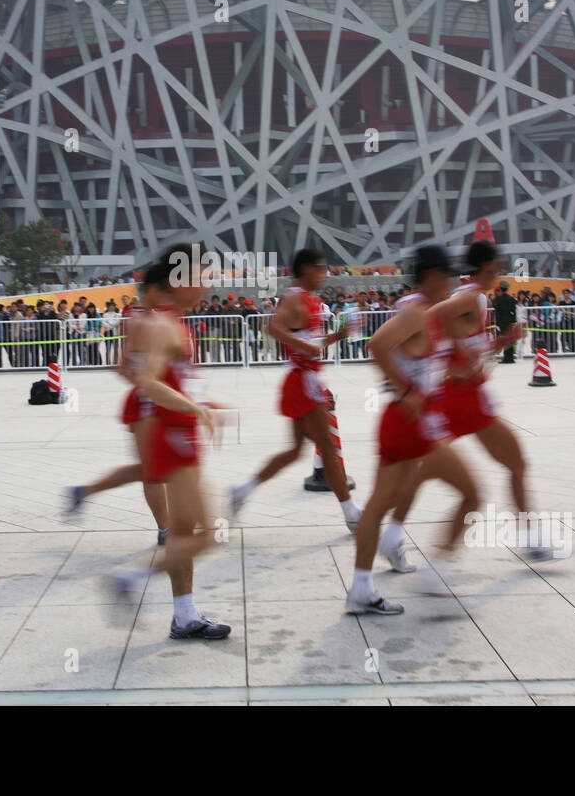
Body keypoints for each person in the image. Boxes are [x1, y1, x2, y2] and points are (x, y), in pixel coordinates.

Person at [381, 241, 550, 564]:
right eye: (496, 268)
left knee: (424, 470)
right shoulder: (470, 296)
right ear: (486, 268)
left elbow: (468, 348)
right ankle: (529, 540)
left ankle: (392, 533)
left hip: (459, 397)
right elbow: (436, 315)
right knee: (513, 464)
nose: (498, 273)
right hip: (465, 399)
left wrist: (503, 341)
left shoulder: (475, 299)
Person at [347, 245, 483, 614]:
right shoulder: (415, 311)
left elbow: (423, 364)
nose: (454, 282)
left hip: (407, 421)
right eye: (449, 275)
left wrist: (461, 368)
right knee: (473, 494)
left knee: (379, 503)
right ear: (433, 276)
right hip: (415, 424)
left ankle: (362, 587)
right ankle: (437, 574)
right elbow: (376, 345)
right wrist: (406, 391)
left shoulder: (428, 312)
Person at [106, 245, 229, 640]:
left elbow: (175, 380)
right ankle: (131, 577)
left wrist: (208, 403)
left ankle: (184, 615)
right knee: (206, 534)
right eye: (199, 277)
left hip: (180, 434)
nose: (205, 285)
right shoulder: (161, 325)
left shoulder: (176, 322)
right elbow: (149, 381)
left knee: (181, 532)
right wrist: (196, 409)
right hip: (174, 437)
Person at [229, 248, 362, 532]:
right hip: (303, 382)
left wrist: (337, 336)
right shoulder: (294, 298)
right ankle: (351, 513)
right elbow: (273, 329)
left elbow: (310, 340)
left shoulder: (310, 300)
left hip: (306, 380)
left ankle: (243, 490)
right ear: (307, 269)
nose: (325, 274)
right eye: (321, 268)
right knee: (327, 447)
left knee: (294, 451)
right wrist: (309, 348)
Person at [65, 270, 170, 546]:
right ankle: (165, 529)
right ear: (152, 291)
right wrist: (147, 386)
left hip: (156, 401)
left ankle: (84, 491)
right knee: (153, 471)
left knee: (154, 468)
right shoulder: (140, 320)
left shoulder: (149, 319)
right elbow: (121, 364)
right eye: (163, 290)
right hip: (148, 404)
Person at [491, 280, 518, 362]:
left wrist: (497, 323)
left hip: (501, 321)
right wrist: (514, 321)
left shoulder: (497, 300)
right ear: (507, 289)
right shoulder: (511, 299)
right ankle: (511, 357)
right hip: (509, 320)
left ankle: (506, 358)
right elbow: (514, 311)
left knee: (504, 339)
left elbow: (497, 311)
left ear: (501, 289)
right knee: (510, 339)